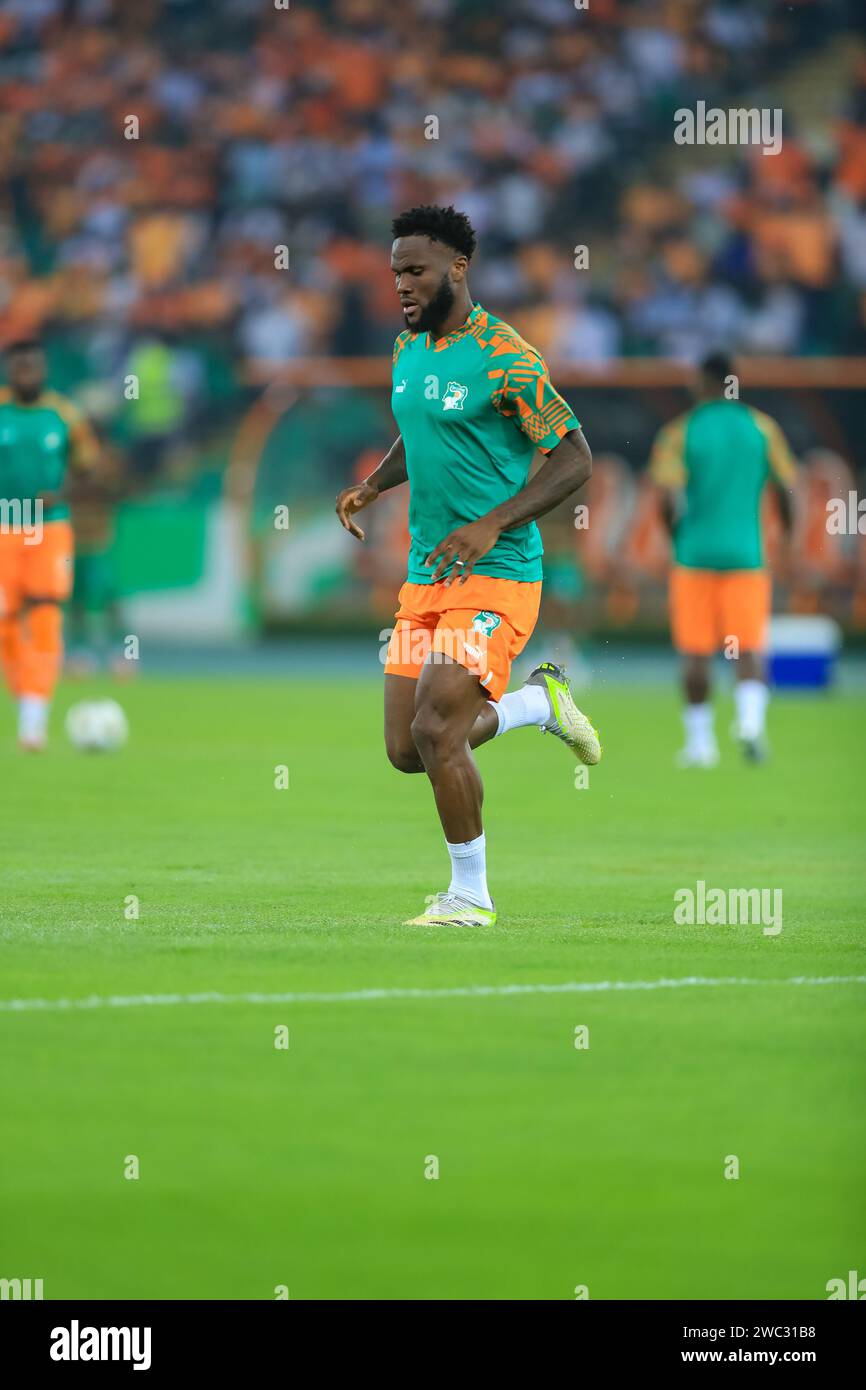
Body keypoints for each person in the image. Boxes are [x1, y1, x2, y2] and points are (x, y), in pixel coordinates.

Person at [335, 205, 600, 928]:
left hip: (499, 571)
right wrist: (376, 483)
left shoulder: (507, 357)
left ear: (458, 267)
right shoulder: (407, 349)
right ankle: (538, 707)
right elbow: (417, 427)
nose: (402, 285)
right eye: (395, 274)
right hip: (427, 575)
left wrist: (492, 523)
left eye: (415, 270)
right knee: (404, 748)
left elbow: (575, 458)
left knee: (436, 729)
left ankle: (470, 897)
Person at [649, 351, 797, 765]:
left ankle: (701, 745)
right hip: (747, 555)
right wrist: (785, 536)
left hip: (695, 554)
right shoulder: (762, 428)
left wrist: (675, 533)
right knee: (748, 647)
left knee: (696, 652)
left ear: (702, 382)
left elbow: (666, 494)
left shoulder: (682, 431)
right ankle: (750, 725)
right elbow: (786, 488)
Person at [0, 340, 99, 749]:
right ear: (10, 370)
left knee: (45, 614)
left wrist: (62, 493)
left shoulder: (65, 414)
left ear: (43, 370)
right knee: (5, 620)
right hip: (5, 523)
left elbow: (88, 465)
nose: (27, 373)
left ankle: (33, 718)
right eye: (19, 366)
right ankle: (27, 695)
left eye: (33, 366)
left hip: (48, 526)